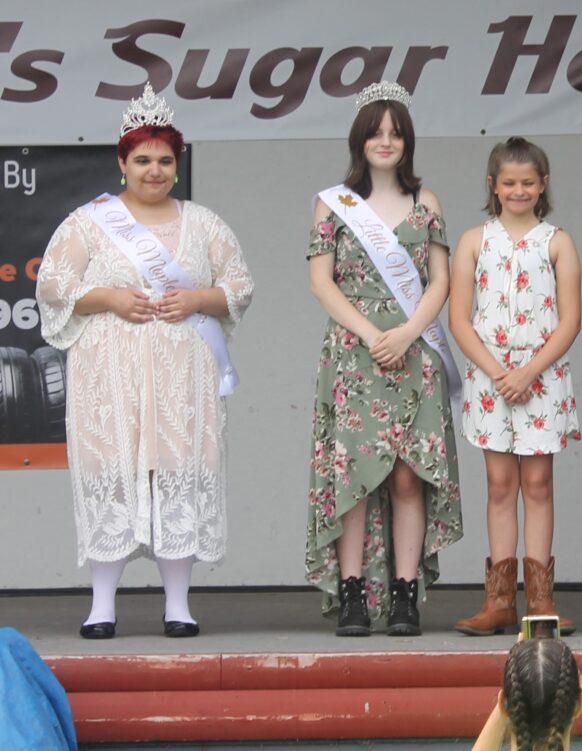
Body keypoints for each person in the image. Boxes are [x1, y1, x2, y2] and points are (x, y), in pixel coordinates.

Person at [36, 83, 254, 639]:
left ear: (177, 166)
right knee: (110, 475)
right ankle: (102, 605)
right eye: (142, 160)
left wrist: (199, 298)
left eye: (163, 160)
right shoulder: (88, 223)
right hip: (108, 375)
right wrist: (107, 297)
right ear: (121, 163)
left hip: (183, 374)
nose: (153, 171)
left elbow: (239, 284)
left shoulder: (204, 224)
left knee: (175, 473)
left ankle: (178, 605)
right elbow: (54, 288)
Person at [305, 81, 462, 636]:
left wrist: (407, 333)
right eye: (376, 131)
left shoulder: (428, 203)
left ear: (407, 139)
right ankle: (351, 595)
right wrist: (375, 334)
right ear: (360, 137)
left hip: (413, 352)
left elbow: (441, 280)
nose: (386, 141)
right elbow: (321, 283)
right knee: (354, 478)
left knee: (405, 479)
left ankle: (404, 595)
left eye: (395, 132)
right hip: (354, 352)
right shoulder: (333, 202)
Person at [449, 137, 582, 636]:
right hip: (490, 381)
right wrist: (498, 372)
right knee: (500, 486)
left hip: (542, 378)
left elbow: (570, 321)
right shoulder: (473, 241)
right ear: (493, 186)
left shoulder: (558, 242)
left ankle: (541, 601)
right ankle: (499, 601)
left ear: (543, 184)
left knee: (539, 485)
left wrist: (529, 371)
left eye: (528, 182)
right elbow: (460, 320)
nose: (519, 190)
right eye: (509, 183)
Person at [472, 637, 582, 751]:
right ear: (577, 705)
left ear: (503, 705)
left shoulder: (505, 705)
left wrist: (512, 689)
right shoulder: (581, 701)